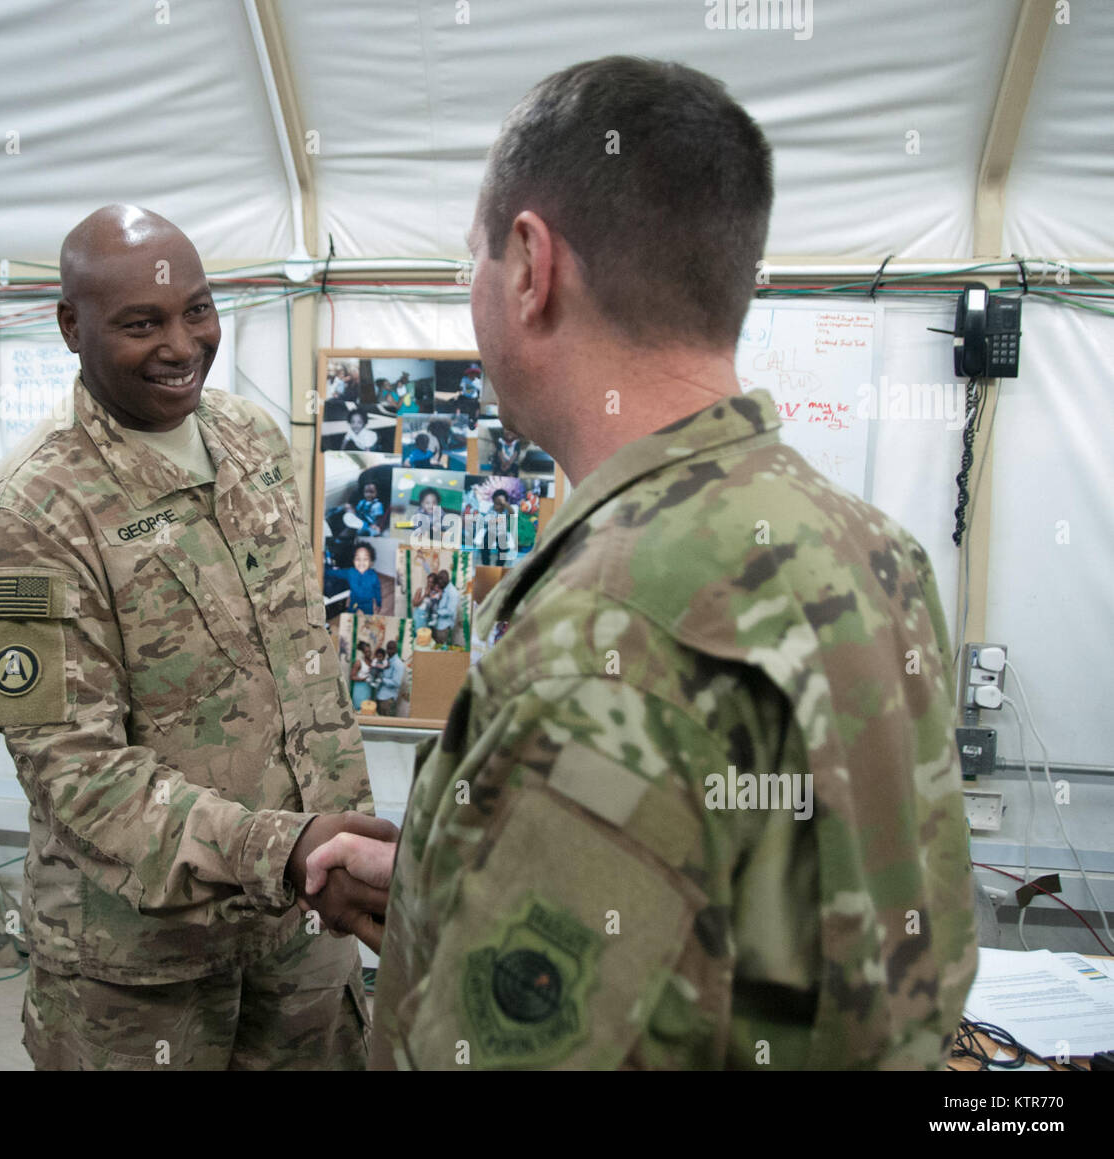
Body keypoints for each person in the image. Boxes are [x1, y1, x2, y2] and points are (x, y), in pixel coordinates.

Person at [304, 57, 976, 1070]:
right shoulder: (873, 551)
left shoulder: (599, 633)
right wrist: (450, 870)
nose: (471, 295)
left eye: (471, 263)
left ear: (531, 267)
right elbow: (755, 917)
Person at [0, 204, 395, 1071]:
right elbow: (74, 775)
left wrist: (327, 858)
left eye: (197, 309)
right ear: (70, 327)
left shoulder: (250, 439)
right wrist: (288, 849)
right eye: (140, 323)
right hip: (139, 977)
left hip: (300, 942)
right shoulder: (24, 519)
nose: (182, 344)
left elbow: (302, 672)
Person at [337, 541, 382, 615]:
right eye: (358, 559)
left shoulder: (373, 576)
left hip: (367, 604)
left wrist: (378, 603)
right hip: (354, 602)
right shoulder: (350, 572)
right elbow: (338, 573)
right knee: (351, 618)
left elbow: (377, 590)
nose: (361, 562)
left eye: (365, 559)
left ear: (371, 562)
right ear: (353, 560)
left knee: (367, 622)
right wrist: (324, 570)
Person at [373, 639, 406, 716]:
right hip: (380, 697)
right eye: (388, 648)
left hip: (388, 699)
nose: (389, 651)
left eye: (391, 648)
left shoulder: (398, 664)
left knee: (385, 724)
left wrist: (382, 679)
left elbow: (397, 683)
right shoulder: (387, 661)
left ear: (396, 649)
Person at [429, 568, 459, 646]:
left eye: (440, 582)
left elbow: (450, 611)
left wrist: (436, 612)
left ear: (445, 581)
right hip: (438, 624)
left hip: (444, 627)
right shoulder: (444, 588)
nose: (439, 585)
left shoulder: (452, 592)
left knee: (440, 647)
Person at [349, 642, 374, 712]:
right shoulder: (359, 662)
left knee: (367, 710)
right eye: (366, 652)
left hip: (368, 689)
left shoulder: (372, 662)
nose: (368, 653)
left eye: (369, 651)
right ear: (363, 652)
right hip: (359, 689)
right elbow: (352, 677)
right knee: (359, 709)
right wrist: (362, 679)